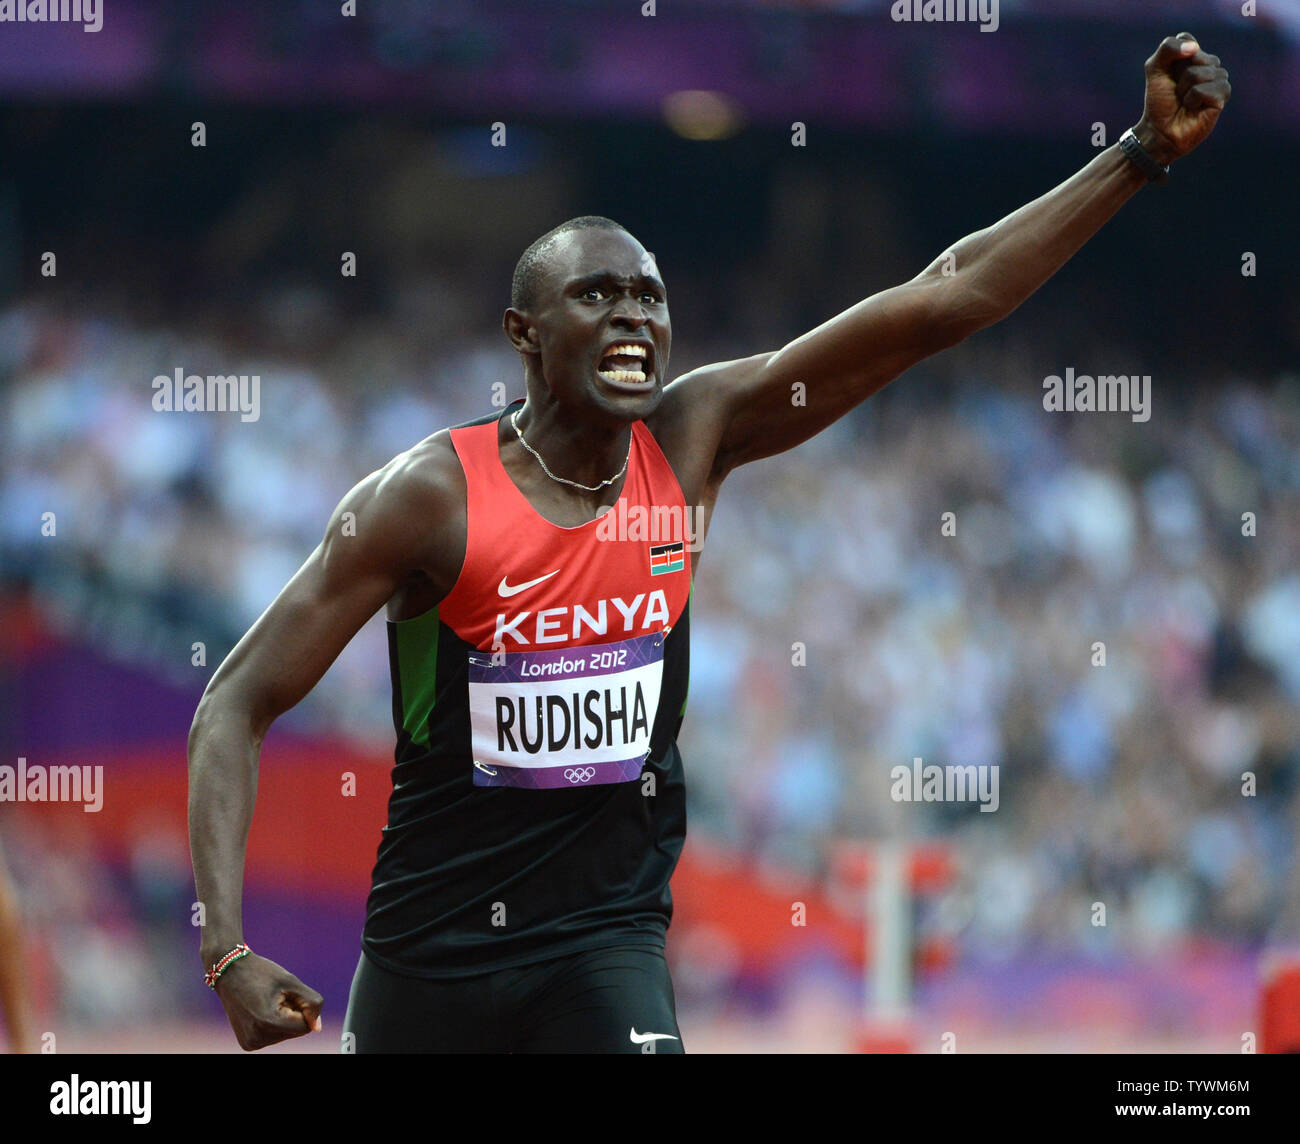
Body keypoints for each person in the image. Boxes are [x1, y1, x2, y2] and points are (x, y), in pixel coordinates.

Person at [187, 33, 1229, 1052]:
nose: (632, 317)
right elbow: (235, 699)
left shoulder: (695, 436)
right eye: (595, 296)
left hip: (606, 942)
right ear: (524, 335)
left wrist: (1135, 158)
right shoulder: (428, 497)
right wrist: (227, 953)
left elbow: (939, 300)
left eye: (648, 296)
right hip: (428, 955)